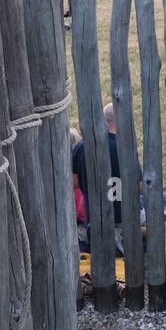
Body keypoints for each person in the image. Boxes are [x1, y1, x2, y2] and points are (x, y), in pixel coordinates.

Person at [70, 103, 123, 254]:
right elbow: (137, 185)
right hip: (120, 220)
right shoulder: (124, 147)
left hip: (92, 221)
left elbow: (73, 183)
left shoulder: (80, 147)